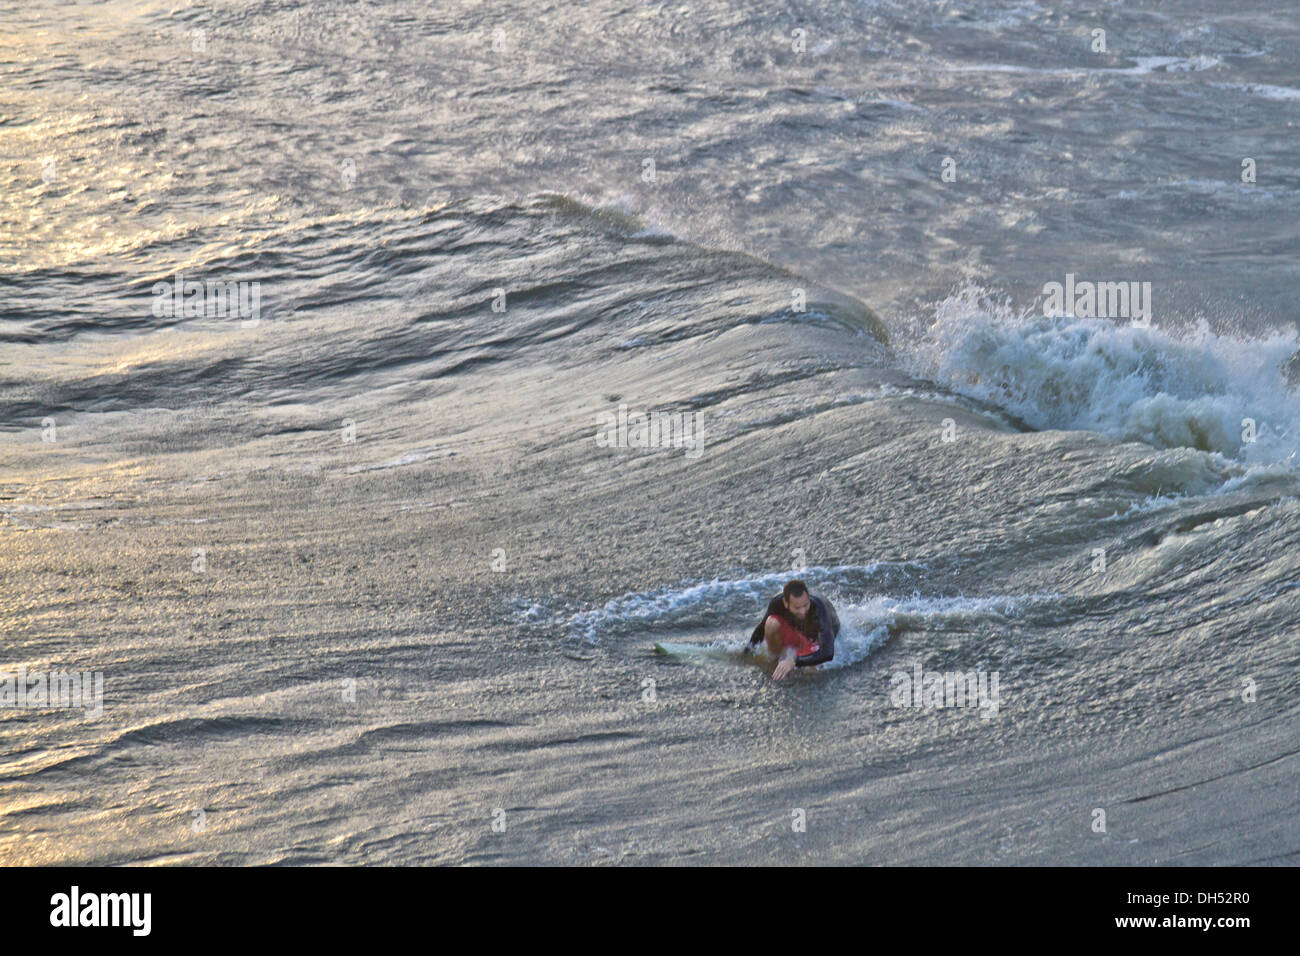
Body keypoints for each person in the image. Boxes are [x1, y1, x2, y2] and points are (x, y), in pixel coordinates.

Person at [747, 579, 838, 681]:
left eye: (805, 605)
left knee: (810, 670)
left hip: (817, 635)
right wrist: (747, 653)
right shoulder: (777, 602)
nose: (803, 611)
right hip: (799, 630)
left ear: (808, 597)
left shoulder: (819, 609)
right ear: (786, 603)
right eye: (797, 608)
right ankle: (776, 662)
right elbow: (760, 630)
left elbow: (828, 652)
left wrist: (794, 661)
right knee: (771, 623)